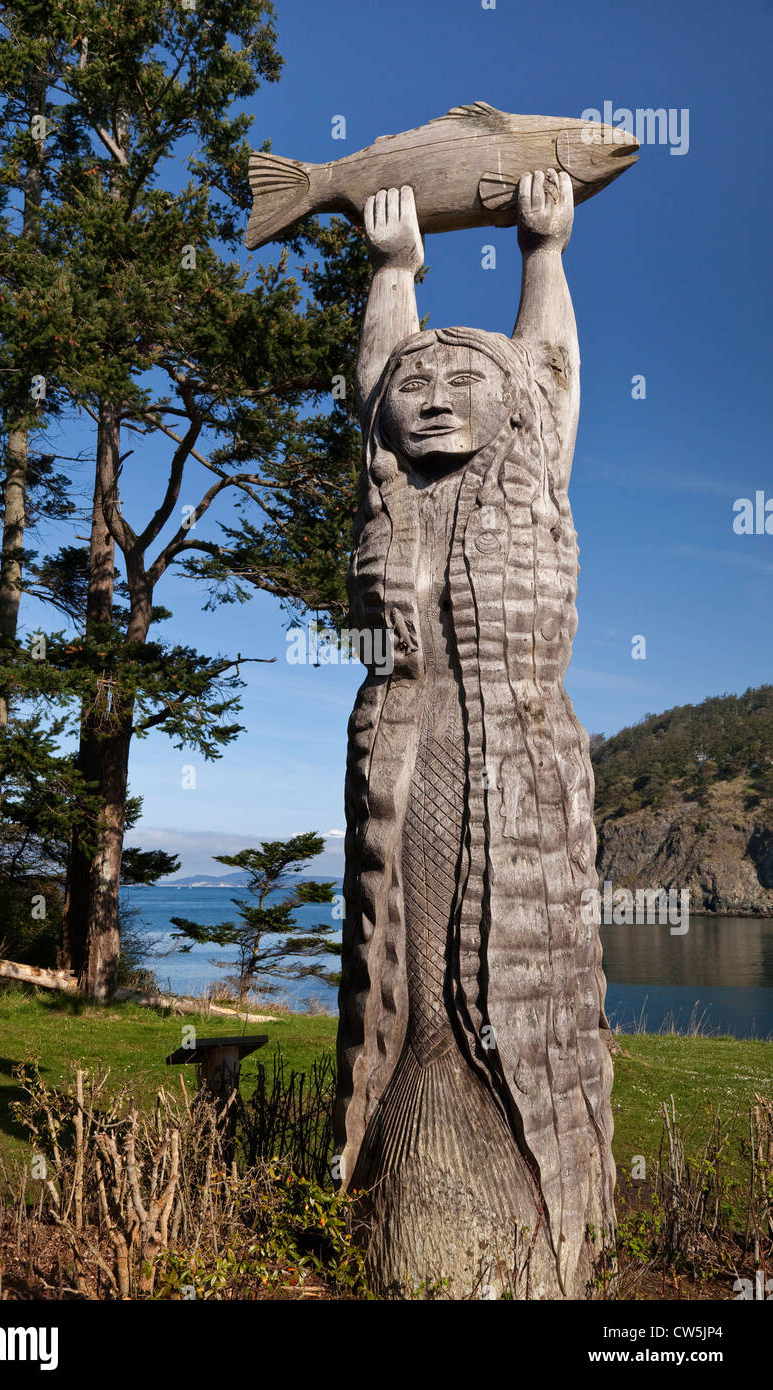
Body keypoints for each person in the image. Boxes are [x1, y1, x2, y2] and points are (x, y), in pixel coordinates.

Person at [335, 175, 614, 1299]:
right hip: (400, 754)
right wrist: (392, 274)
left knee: (500, 993)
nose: (437, 395)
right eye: (420, 383)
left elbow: (547, 370)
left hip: (517, 756)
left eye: (465, 380)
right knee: (400, 983)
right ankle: (388, 1167)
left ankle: (534, 1223)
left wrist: (542, 253)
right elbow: (370, 380)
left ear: (508, 409)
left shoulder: (528, 471)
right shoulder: (389, 496)